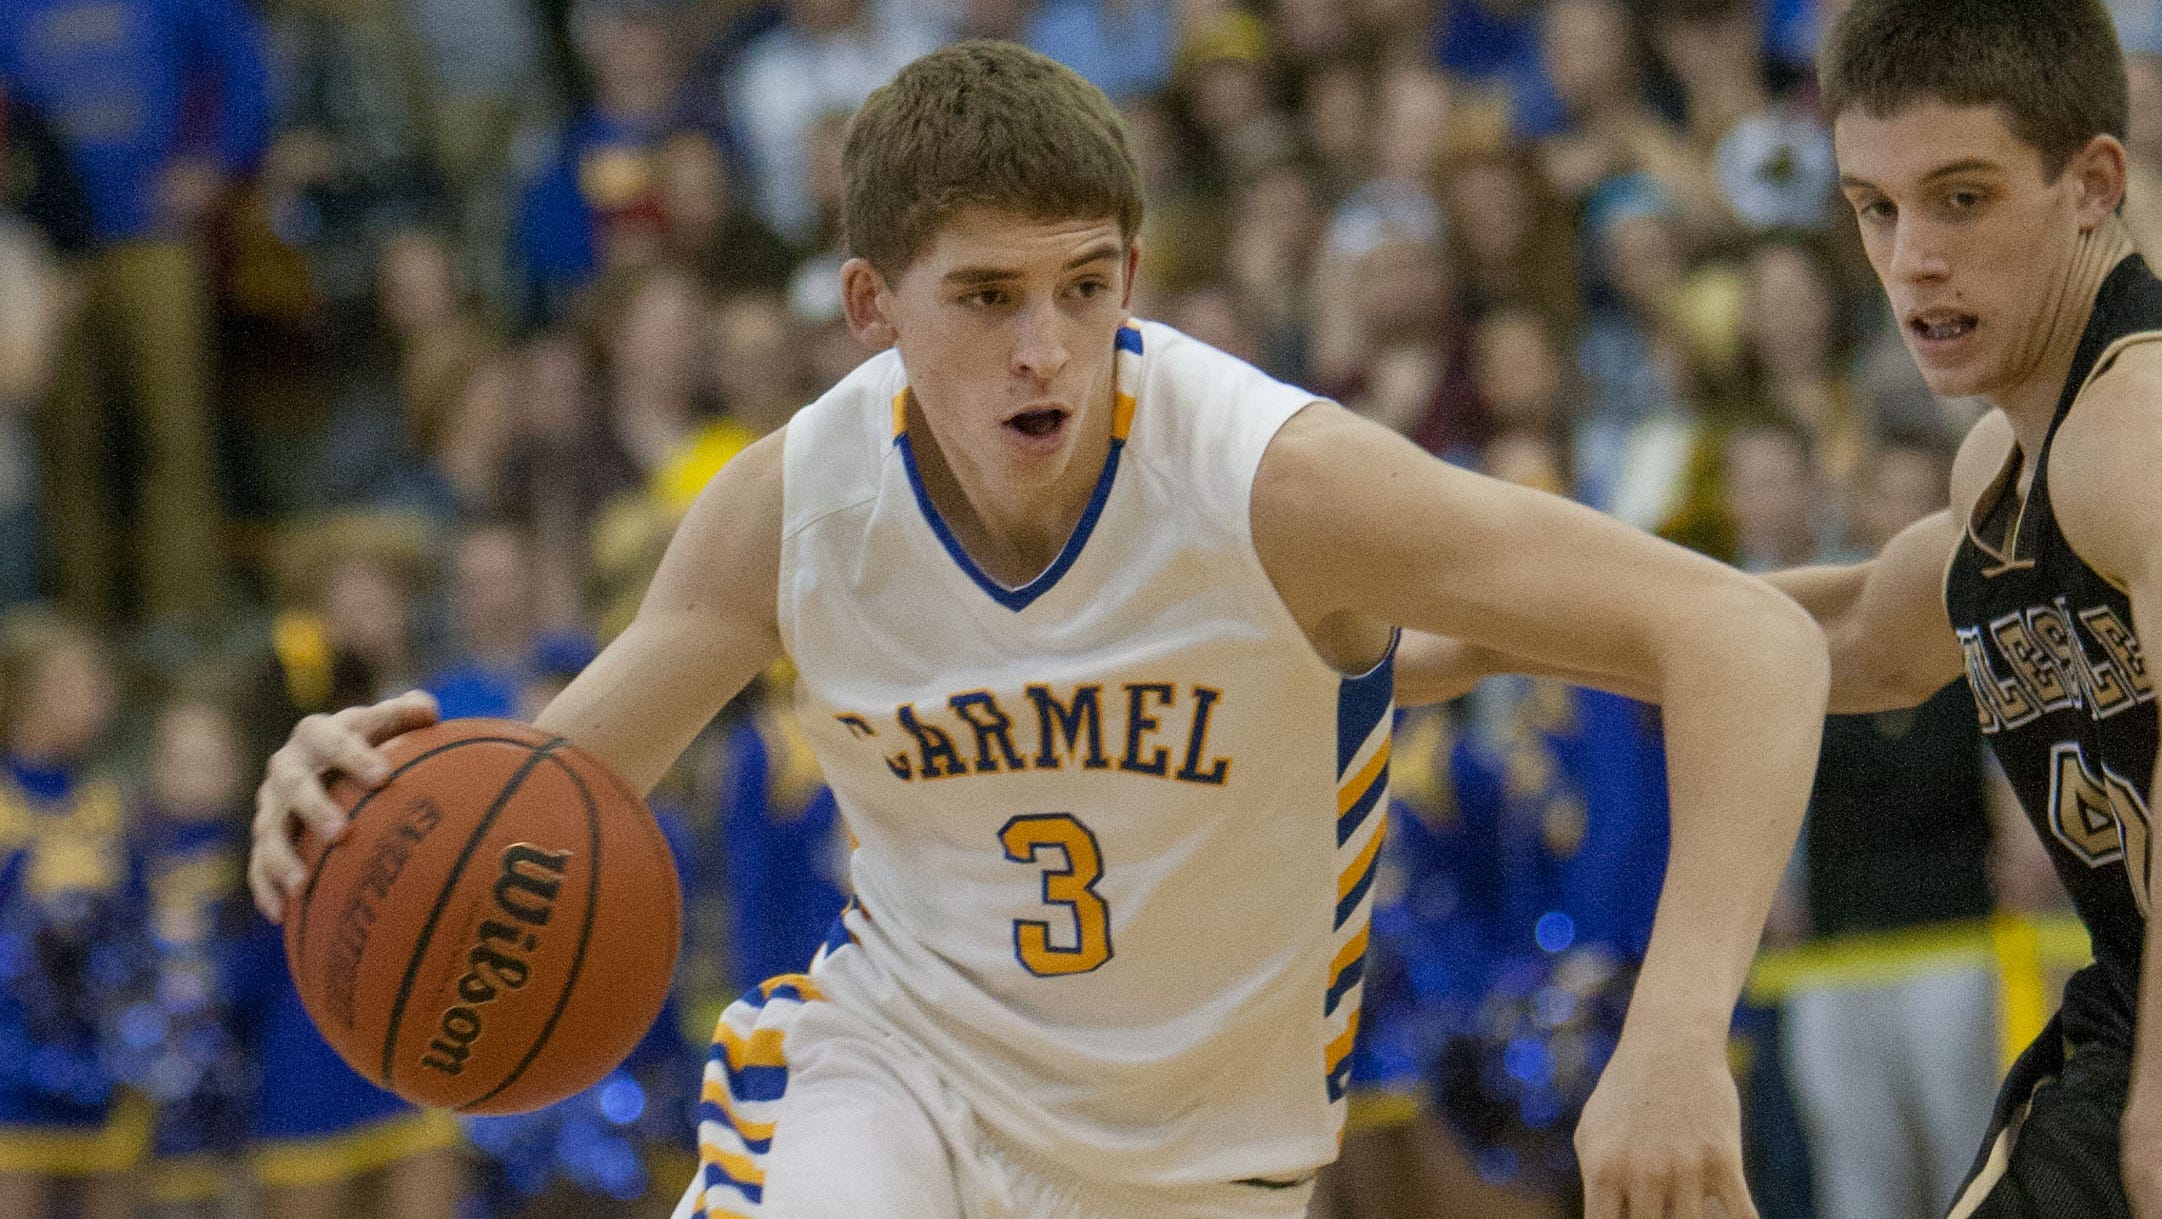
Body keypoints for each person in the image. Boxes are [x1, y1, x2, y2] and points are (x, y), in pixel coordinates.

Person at [248, 41, 1829, 1218]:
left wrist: (1676, 1029)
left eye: (1084, 286)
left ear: (1136, 270)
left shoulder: (1282, 483)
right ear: (870, 304)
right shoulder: (790, 507)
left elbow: (1743, 636)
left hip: (1207, 1167)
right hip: (899, 1086)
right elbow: (542, 807)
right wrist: (357, 801)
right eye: (986, 296)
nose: (1046, 347)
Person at [1455, 3, 2162, 1214]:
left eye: (1960, 198)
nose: (1909, 260)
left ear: (2092, 181)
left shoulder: (2134, 427)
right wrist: (1478, 640)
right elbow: (1853, 640)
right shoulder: (2000, 465)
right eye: (1873, 208)